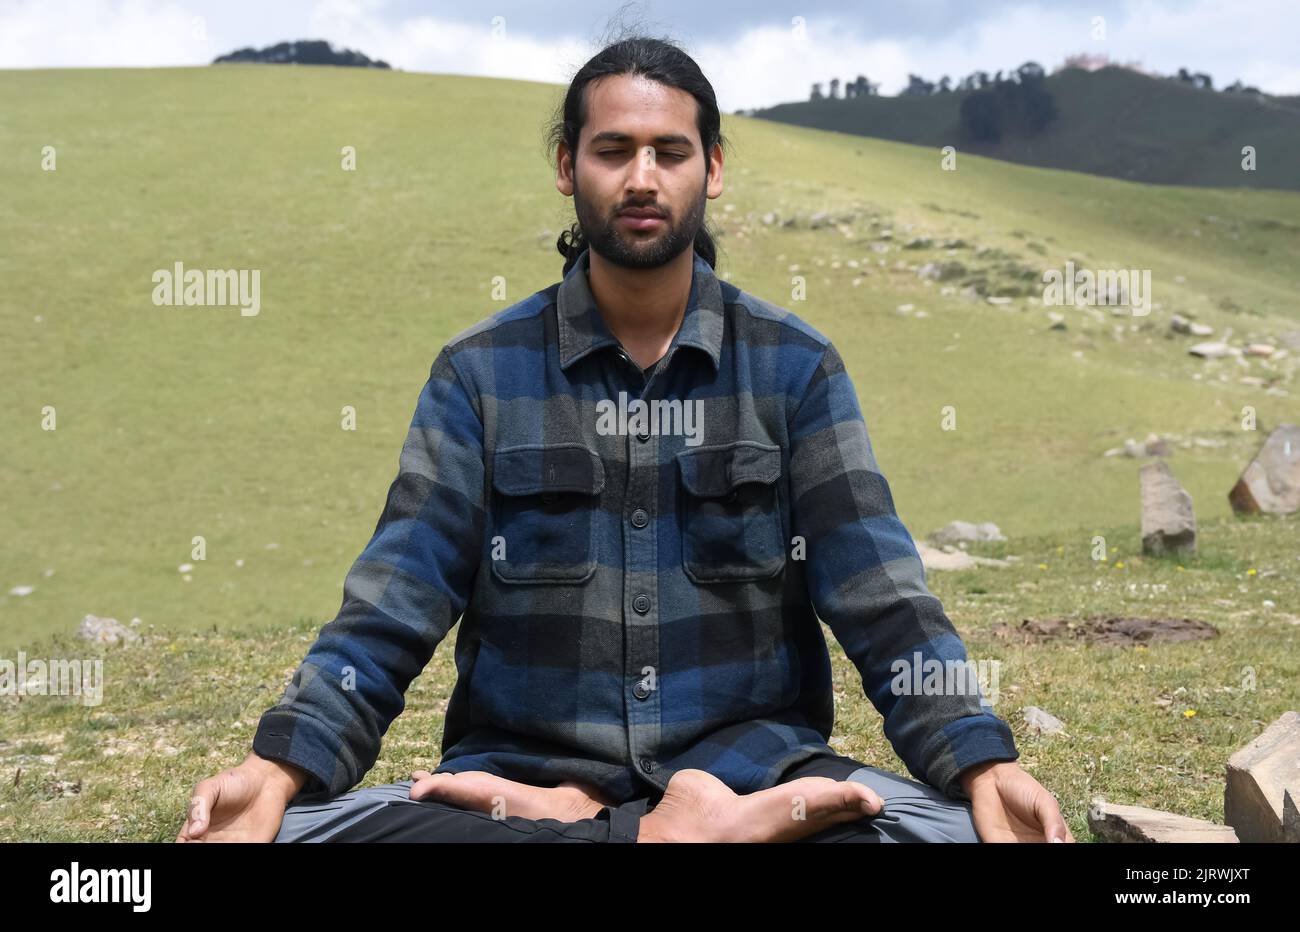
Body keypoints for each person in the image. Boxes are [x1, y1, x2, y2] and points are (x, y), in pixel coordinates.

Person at [178, 34, 1073, 844]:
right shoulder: (478, 376)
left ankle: (652, 829)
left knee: (959, 836)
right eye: (613, 150)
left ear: (712, 169)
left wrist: (980, 761)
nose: (642, 177)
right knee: (292, 836)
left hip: (760, 779)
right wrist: (278, 768)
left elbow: (885, 601)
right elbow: (390, 607)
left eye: (669, 152)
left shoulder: (795, 369)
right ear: (569, 167)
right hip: (517, 786)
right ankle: (652, 835)